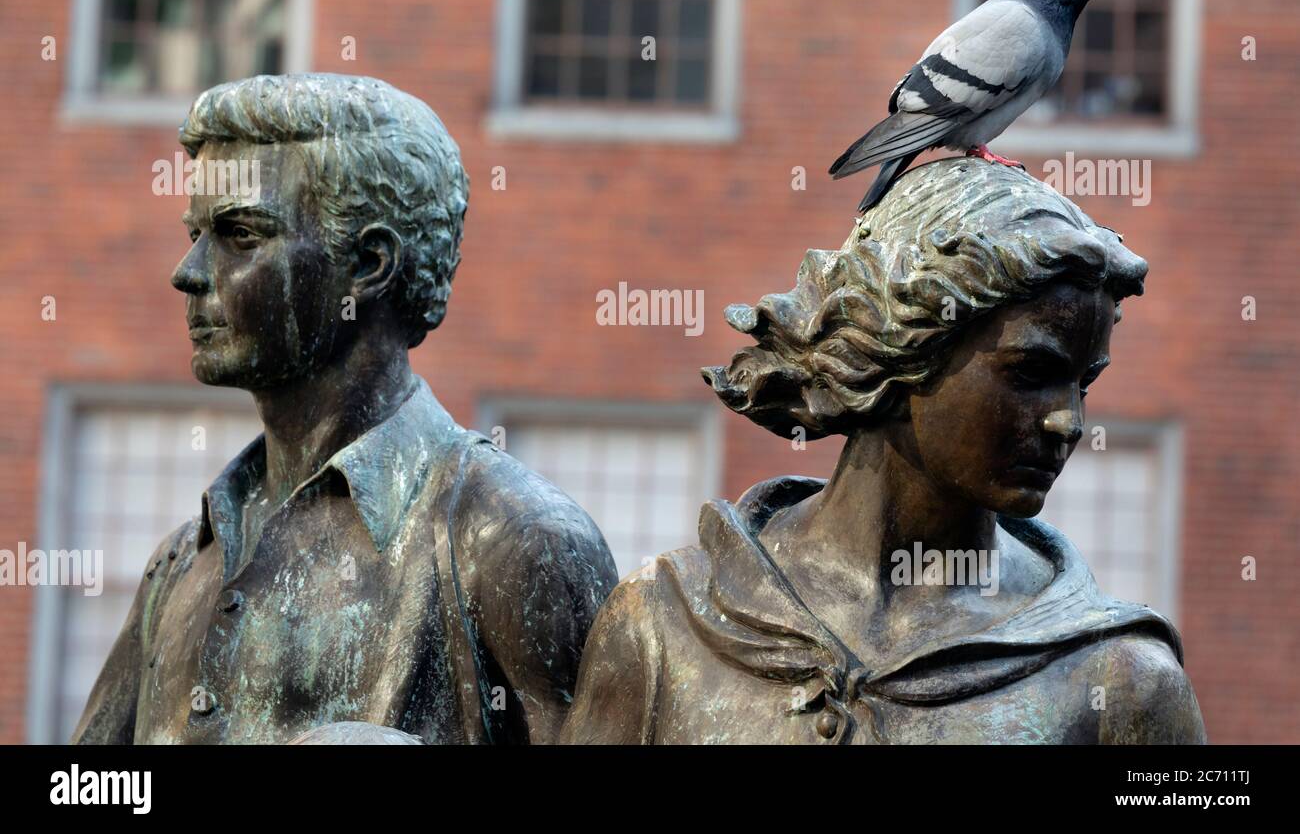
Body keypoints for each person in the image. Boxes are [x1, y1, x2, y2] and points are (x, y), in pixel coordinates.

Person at [561, 158, 1206, 745]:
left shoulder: (1123, 683)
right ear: (902, 348)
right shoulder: (661, 629)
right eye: (1031, 373)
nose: (1068, 422)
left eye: (1082, 383)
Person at [73, 74, 618, 744]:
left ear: (368, 263)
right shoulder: (181, 563)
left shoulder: (515, 539)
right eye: (196, 233)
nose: (188, 270)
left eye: (240, 234)